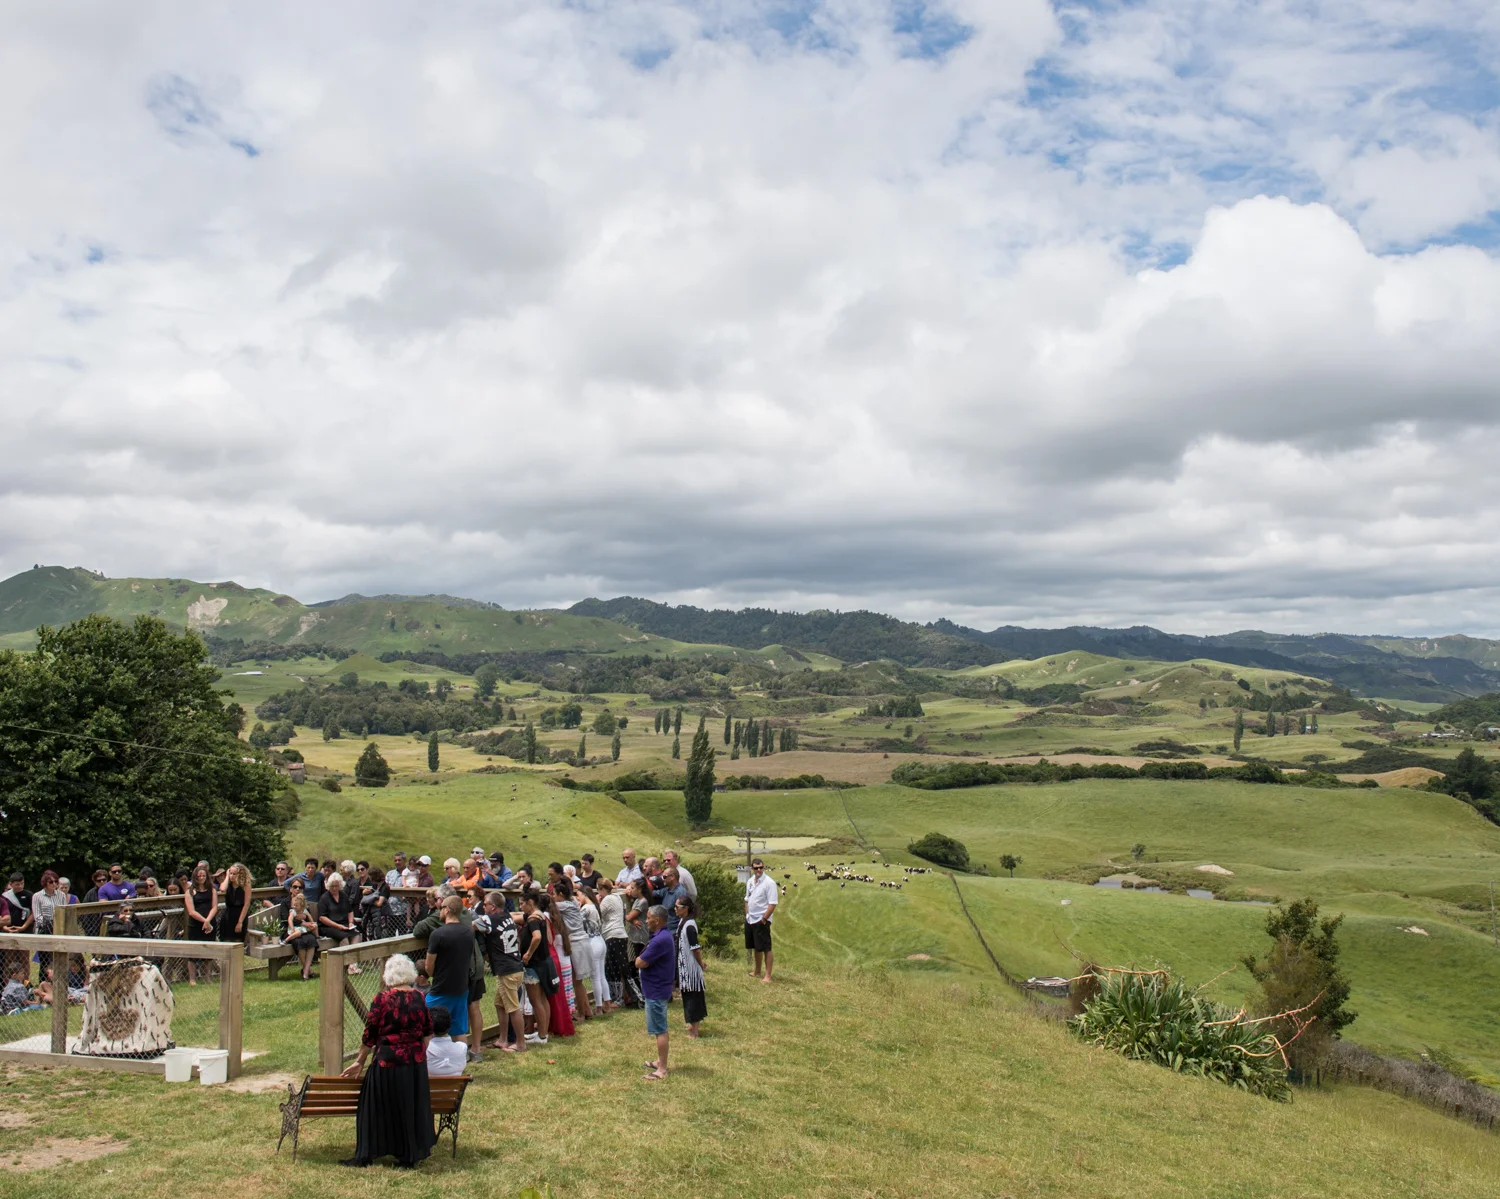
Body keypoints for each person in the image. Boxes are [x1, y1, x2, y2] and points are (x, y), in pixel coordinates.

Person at [340, 953, 436, 1169]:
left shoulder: (382, 999)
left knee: (373, 1108)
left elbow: (369, 1035)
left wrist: (360, 1061)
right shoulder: (420, 997)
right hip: (414, 1064)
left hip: (387, 1063)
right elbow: (428, 1031)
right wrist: (418, 1052)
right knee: (409, 1108)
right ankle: (408, 1156)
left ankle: (367, 1153)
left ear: (388, 975)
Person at [474, 890, 528, 1052]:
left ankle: (520, 1044)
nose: (483, 907)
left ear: (493, 906)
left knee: (513, 1008)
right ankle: (503, 1039)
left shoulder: (489, 919)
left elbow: (471, 926)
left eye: (485, 904)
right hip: (513, 967)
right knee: (500, 1004)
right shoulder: (507, 917)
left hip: (507, 971)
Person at [422, 897, 476, 1054]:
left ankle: (427, 1059)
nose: (439, 910)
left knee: (426, 1024)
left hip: (441, 989)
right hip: (461, 987)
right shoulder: (469, 931)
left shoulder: (438, 934)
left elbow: (428, 966)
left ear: (447, 910)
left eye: (441, 907)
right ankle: (461, 1058)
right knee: (458, 1029)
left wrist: (435, 975)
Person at [635, 905, 675, 1080]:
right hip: (657, 988)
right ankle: (660, 1061)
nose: (646, 921)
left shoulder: (660, 940)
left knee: (660, 1029)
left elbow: (639, 962)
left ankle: (662, 1069)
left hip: (656, 989)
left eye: (648, 917)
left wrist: (640, 960)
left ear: (657, 920)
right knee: (659, 1027)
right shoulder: (663, 936)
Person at [551, 878, 593, 1019]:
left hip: (577, 943)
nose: (553, 897)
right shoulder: (573, 902)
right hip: (582, 941)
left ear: (561, 894)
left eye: (554, 894)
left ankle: (581, 1013)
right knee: (578, 981)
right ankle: (587, 1010)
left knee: (577, 982)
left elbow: (547, 906)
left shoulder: (562, 905)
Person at [518, 893, 553, 1045]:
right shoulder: (541, 916)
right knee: (543, 999)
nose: (520, 907)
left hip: (534, 964)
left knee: (535, 1000)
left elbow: (537, 937)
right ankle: (543, 1033)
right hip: (543, 962)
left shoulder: (533, 920)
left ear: (530, 902)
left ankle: (542, 1035)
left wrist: (528, 953)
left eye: (522, 904)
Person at [674, 894, 707, 1037]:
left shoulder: (689, 926)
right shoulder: (683, 922)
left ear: (685, 909)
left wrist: (700, 964)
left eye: (677, 907)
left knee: (693, 998)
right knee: (688, 997)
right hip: (684, 967)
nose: (675, 909)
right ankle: (691, 1025)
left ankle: (695, 1031)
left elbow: (695, 948)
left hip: (691, 969)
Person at [597, 878, 629, 1013]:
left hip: (613, 935)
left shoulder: (607, 899)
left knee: (614, 967)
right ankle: (617, 996)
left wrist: (598, 901)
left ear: (602, 889)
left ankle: (618, 999)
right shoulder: (617, 898)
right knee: (612, 967)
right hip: (619, 934)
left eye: (598, 890)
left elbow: (598, 914)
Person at [744, 857, 777, 983]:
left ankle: (768, 976)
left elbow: (772, 903)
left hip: (761, 919)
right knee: (755, 946)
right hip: (750, 918)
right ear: (752, 868)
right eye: (756, 868)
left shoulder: (769, 883)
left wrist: (764, 919)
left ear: (764, 867)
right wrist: (747, 913)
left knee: (766, 947)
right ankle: (757, 971)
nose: (759, 870)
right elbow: (746, 898)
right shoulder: (750, 881)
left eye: (761, 867)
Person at [318, 872, 362, 967]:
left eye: (336, 886)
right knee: (344, 938)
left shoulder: (343, 895)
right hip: (329, 926)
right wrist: (338, 926)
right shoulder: (324, 898)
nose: (334, 888)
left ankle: (353, 965)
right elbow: (322, 918)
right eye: (332, 886)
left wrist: (350, 923)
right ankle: (346, 964)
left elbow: (350, 911)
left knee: (356, 935)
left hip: (344, 925)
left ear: (340, 886)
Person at [184, 865, 218, 985]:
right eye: (199, 876)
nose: (202, 878)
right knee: (193, 951)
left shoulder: (212, 890)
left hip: (210, 924)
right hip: (195, 924)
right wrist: (204, 921)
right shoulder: (190, 891)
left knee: (209, 950)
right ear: (195, 877)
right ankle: (192, 979)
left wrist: (208, 921)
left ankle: (207, 978)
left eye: (204, 875)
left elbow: (215, 907)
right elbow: (191, 911)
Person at [580, 887, 610, 1015]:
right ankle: (607, 1003)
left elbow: (577, 923)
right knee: (601, 975)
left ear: (584, 894)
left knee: (595, 977)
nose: (577, 898)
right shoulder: (594, 907)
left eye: (578, 895)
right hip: (600, 941)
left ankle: (598, 1007)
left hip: (592, 942)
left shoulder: (585, 908)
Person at [285, 885, 321, 980]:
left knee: (311, 941)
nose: (297, 889)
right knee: (299, 942)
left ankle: (305, 970)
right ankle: (308, 970)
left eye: (300, 887)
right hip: (292, 931)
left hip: (305, 930)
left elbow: (308, 918)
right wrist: (301, 923)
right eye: (295, 887)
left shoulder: (304, 905)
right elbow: (285, 919)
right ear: (290, 889)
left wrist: (309, 923)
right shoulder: (286, 903)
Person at [425, 1006, 466, 1078]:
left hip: (429, 1085)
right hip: (455, 1085)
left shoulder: (425, 1050)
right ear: (450, 1026)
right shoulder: (462, 1047)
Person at [218, 863, 253, 944]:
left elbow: (246, 904)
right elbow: (222, 889)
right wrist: (227, 876)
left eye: (234, 874)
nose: (232, 876)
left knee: (237, 941)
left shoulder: (246, 885)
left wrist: (240, 922)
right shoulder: (228, 884)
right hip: (228, 914)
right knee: (225, 940)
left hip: (239, 914)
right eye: (231, 873)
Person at [360, 865, 391, 940]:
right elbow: (369, 895)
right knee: (370, 935)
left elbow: (379, 903)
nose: (370, 879)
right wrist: (364, 893)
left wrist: (369, 901)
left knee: (381, 936)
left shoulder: (385, 887)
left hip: (382, 916)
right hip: (372, 916)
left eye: (371, 877)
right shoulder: (375, 885)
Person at [658, 867, 687, 936]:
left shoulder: (680, 893)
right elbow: (653, 893)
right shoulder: (666, 890)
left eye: (664, 877)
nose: (662, 879)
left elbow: (683, 914)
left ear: (672, 877)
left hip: (673, 932)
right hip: (665, 931)